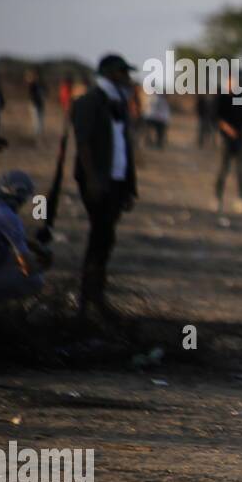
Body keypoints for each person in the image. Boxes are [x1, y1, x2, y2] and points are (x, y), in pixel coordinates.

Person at [72, 54, 138, 316]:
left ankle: (95, 295)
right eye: (123, 73)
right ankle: (88, 297)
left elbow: (124, 147)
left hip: (117, 179)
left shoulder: (119, 102)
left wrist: (130, 186)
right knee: (100, 236)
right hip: (98, 181)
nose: (128, 78)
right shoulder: (90, 102)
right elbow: (83, 144)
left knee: (107, 237)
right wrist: (92, 179)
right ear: (111, 73)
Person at [0, 171, 50, 301]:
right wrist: (41, 266)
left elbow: (5, 237)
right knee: (35, 280)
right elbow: (27, 266)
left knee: (6, 257)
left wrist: (34, 246)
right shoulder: (7, 216)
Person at [213, 77, 242, 213]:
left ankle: (241, 199)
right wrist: (227, 128)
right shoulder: (221, 98)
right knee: (223, 169)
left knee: (241, 171)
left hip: (240, 139)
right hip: (226, 140)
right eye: (231, 84)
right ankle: (217, 198)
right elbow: (216, 117)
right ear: (227, 84)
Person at [25, 68, 46, 143]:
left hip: (40, 105)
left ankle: (38, 137)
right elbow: (30, 95)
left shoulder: (40, 84)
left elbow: (46, 92)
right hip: (35, 105)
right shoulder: (32, 85)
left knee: (40, 122)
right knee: (37, 122)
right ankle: (37, 138)